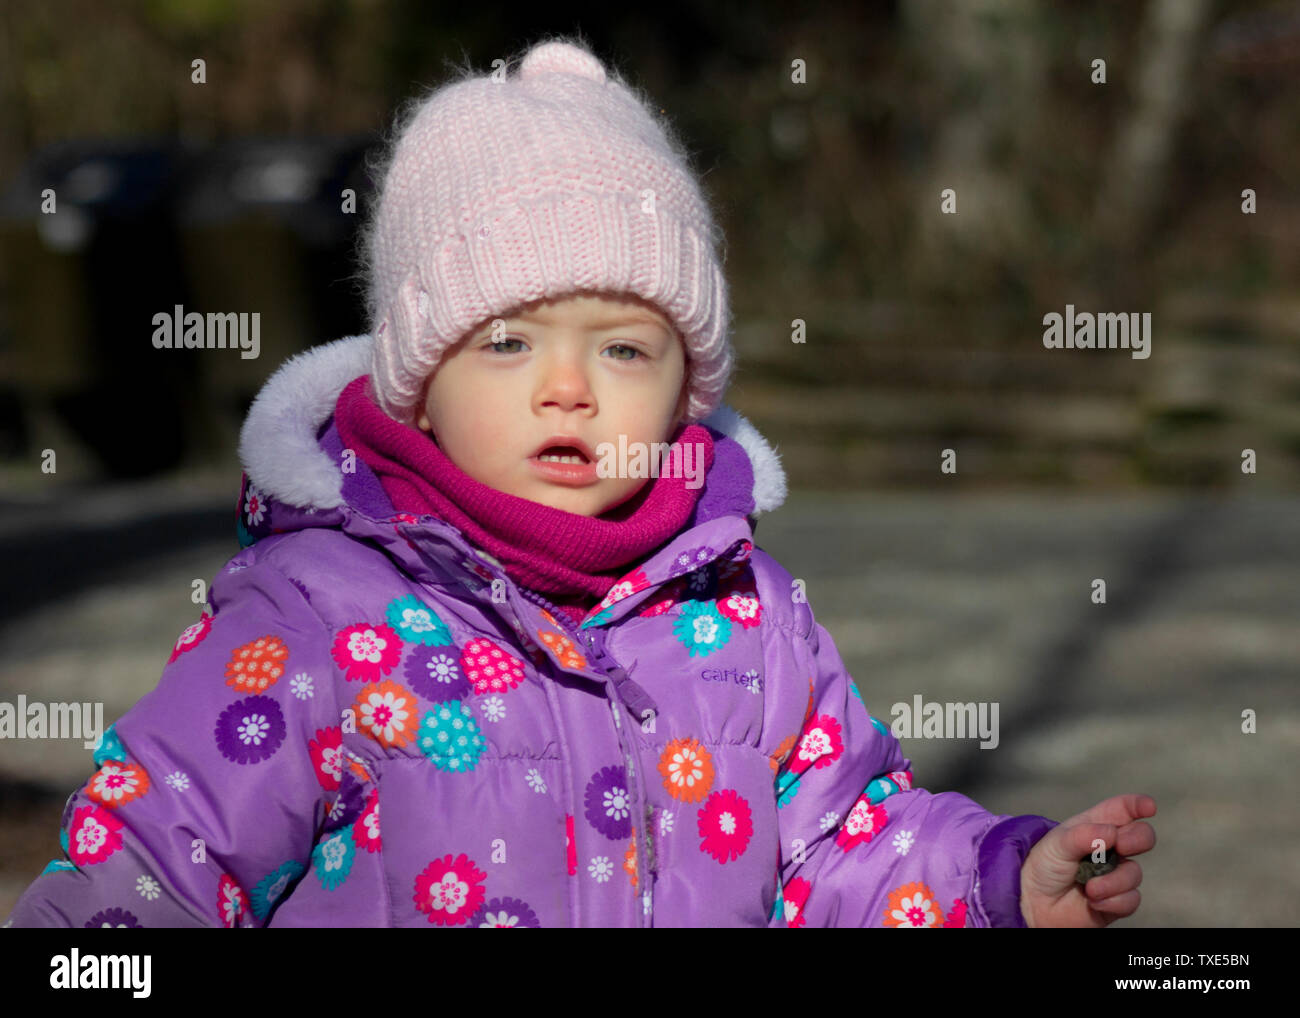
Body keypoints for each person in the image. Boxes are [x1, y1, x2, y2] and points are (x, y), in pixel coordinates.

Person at [4, 35, 1154, 929]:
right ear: (419, 382)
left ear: (687, 391)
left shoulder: (747, 622)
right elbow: (151, 865)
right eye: (509, 343)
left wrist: (997, 883)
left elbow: (841, 842)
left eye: (625, 349)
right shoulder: (316, 621)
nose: (569, 388)